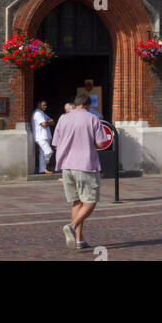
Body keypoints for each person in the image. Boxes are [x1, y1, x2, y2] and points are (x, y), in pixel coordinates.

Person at [52, 89, 110, 251]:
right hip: (85, 164)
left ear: (76, 104)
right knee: (90, 201)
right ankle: (72, 226)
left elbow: (55, 143)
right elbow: (100, 144)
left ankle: (79, 239)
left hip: (66, 165)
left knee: (77, 202)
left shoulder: (63, 119)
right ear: (87, 105)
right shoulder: (93, 118)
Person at [30, 99, 54, 173]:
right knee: (49, 152)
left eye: (46, 105)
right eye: (44, 105)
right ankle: (47, 163)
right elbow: (44, 124)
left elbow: (52, 122)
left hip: (45, 136)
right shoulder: (37, 113)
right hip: (40, 137)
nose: (45, 106)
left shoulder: (42, 113)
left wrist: (48, 122)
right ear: (39, 105)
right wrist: (48, 122)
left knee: (42, 154)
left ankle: (42, 169)